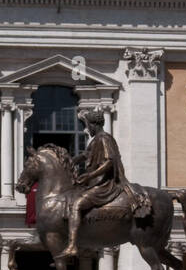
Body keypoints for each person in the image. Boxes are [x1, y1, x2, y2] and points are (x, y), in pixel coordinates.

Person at [58, 108, 139, 259]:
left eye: (88, 125)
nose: (87, 129)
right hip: (93, 183)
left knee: (77, 205)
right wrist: (69, 160)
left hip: (104, 184)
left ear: (94, 124)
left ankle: (72, 245)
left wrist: (89, 175)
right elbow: (85, 155)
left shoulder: (104, 138)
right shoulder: (95, 140)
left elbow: (109, 162)